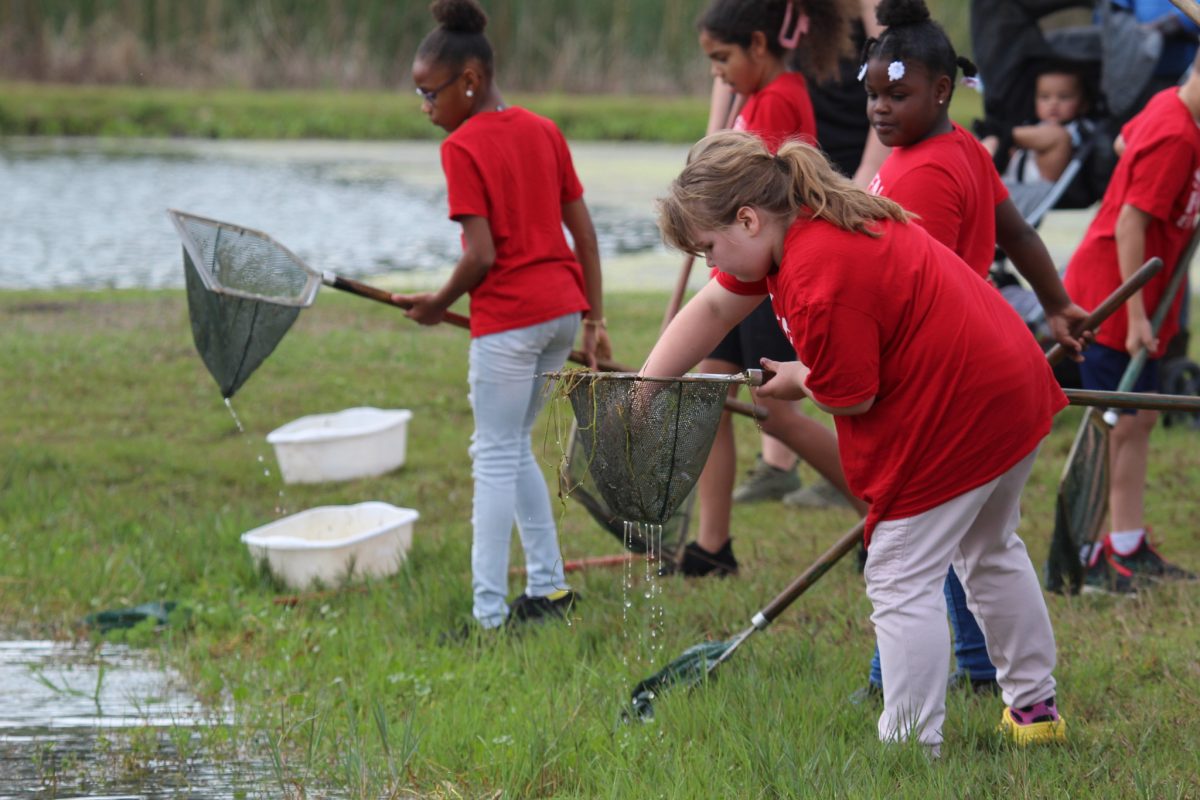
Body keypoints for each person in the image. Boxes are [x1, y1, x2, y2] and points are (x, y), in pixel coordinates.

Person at [644, 129, 1069, 752]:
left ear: (747, 218)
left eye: (710, 248)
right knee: (989, 548)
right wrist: (643, 390)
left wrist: (796, 377)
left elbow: (853, 395)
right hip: (1012, 387)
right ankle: (1036, 714)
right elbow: (711, 312)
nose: (711, 264)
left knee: (900, 574)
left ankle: (908, 747)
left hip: (964, 410)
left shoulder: (818, 272)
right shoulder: (798, 224)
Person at [857, 0, 1090, 702]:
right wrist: (1053, 303)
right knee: (981, 544)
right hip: (986, 366)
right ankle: (1002, 678)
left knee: (910, 556)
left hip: (943, 379)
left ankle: (901, 693)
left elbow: (898, 291)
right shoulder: (959, 148)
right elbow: (1017, 233)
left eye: (898, 94)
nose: (881, 109)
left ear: (942, 89)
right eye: (871, 95)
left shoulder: (915, 176)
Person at [396, 0, 610, 632]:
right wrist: (594, 320)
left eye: (430, 92)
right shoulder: (544, 130)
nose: (425, 106)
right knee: (512, 444)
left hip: (513, 322)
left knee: (491, 455)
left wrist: (437, 304)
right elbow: (587, 238)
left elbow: (482, 254)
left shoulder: (462, 148)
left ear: (470, 80)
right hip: (562, 317)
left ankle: (487, 615)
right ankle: (549, 591)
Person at [671, 0, 868, 578]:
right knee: (709, 392)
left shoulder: (780, 96)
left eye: (723, 58)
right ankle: (712, 545)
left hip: (764, 282)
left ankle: (877, 514)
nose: (718, 72)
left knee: (774, 415)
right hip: (742, 275)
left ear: (759, 44)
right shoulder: (756, 96)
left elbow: (759, 207)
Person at [1063, 49, 1200, 594]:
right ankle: (1089, 555)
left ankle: (1127, 545)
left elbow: (1125, 143)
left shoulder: (1172, 109)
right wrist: (1137, 315)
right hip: (1114, 294)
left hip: (1143, 291)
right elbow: (1128, 225)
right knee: (1112, 423)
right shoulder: (1177, 135)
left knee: (1138, 420)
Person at [979, 64, 1094, 185]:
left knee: (1059, 136)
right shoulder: (1029, 124)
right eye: (1045, 97)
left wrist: (1001, 135)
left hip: (1042, 186)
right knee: (992, 144)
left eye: (1064, 97)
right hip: (1009, 182)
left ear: (1083, 104)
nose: (1053, 103)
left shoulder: (1081, 129)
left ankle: (1000, 134)